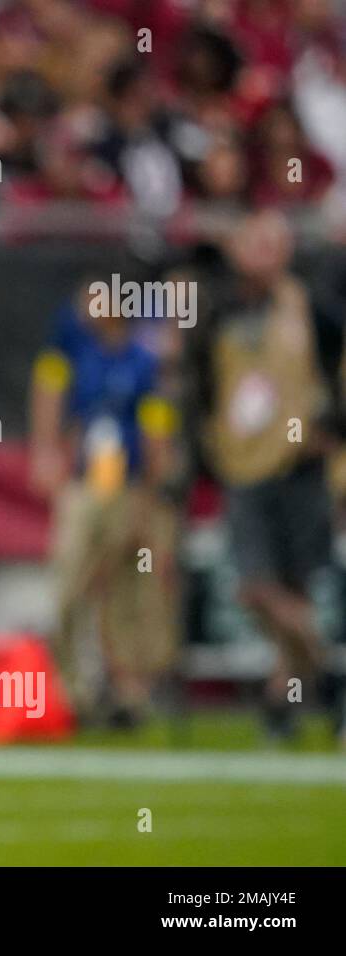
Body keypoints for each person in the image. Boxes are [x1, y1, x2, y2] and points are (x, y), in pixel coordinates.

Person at [191, 210, 340, 739]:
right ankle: (327, 679)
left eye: (274, 243)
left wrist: (331, 430)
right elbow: (199, 383)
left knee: (295, 588)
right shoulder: (218, 309)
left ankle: (284, 703)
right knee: (256, 588)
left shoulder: (311, 306)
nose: (264, 253)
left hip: (299, 464)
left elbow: (336, 370)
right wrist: (202, 451)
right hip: (243, 464)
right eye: (255, 242)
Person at [29, 275, 181, 727]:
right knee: (68, 584)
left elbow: (157, 428)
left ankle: (130, 692)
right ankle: (72, 689)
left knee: (131, 588)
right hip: (85, 485)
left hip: (129, 486)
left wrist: (150, 494)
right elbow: (49, 392)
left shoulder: (142, 359)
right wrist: (45, 449)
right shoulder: (73, 346)